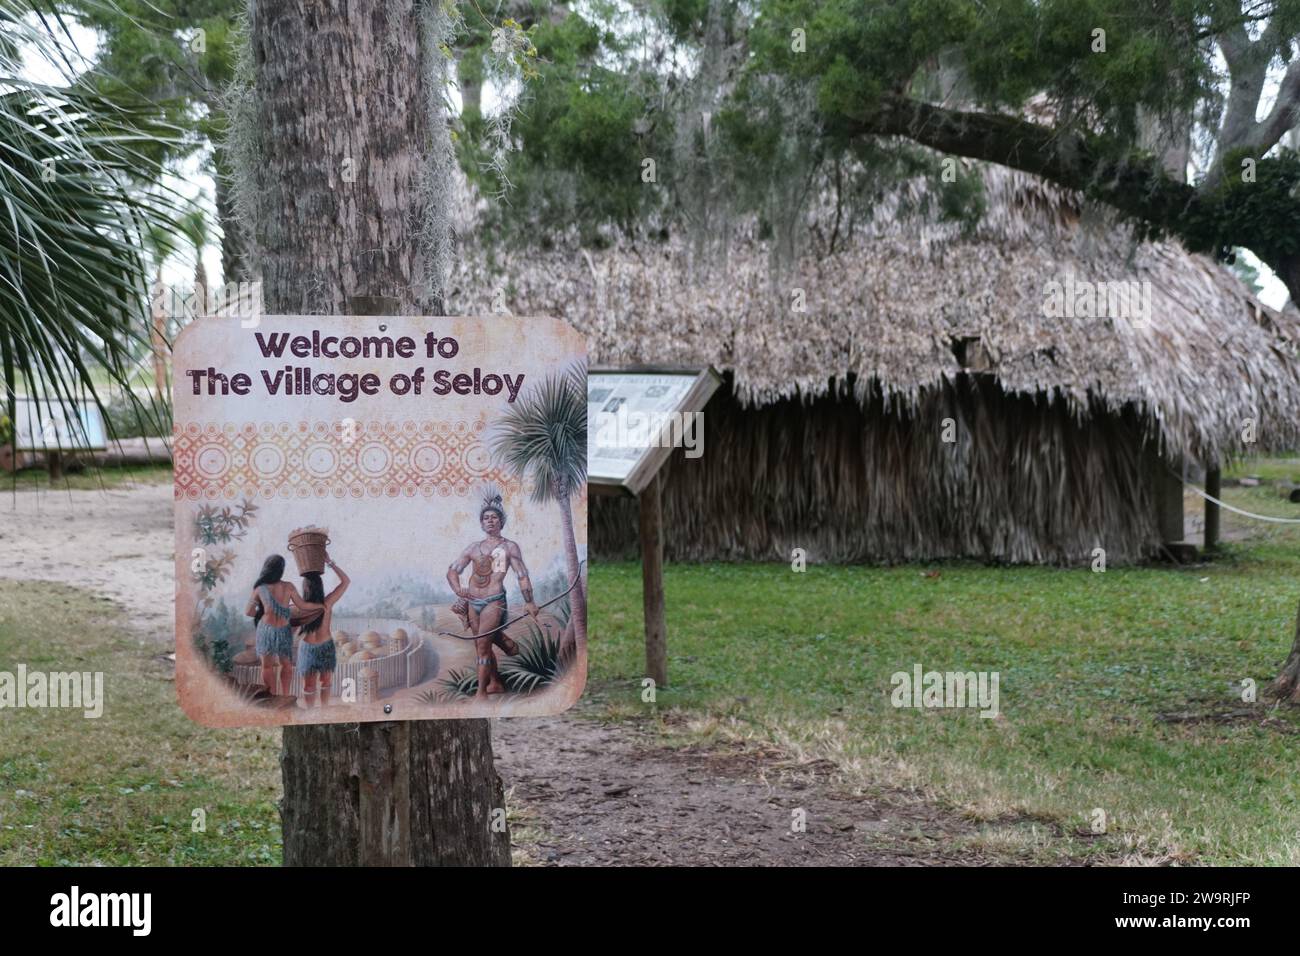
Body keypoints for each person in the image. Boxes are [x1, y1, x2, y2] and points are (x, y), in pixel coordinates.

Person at [447, 490, 540, 697]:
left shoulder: (509, 547)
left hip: (493, 601)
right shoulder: (473, 547)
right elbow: (453, 570)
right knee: (484, 644)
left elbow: (522, 575)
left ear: (501, 522)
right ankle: (496, 682)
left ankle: (481, 694)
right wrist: (458, 589)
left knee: (481, 645)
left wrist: (530, 602)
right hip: (472, 602)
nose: (490, 521)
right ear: (481, 523)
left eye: (494, 517)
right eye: (486, 518)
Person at [245, 555, 321, 698]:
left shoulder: (260, 589)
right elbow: (302, 605)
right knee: (286, 664)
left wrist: (262, 612)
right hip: (284, 630)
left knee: (267, 666)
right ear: (281, 570)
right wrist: (319, 606)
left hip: (266, 629)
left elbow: (248, 612)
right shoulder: (288, 586)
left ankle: (272, 696)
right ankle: (285, 696)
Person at [295, 557, 350, 709]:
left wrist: (330, 562)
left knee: (318, 684)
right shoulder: (306, 606)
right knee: (314, 685)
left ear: (305, 589)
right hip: (314, 647)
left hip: (319, 647)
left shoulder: (324, 603)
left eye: (306, 587)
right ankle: (314, 713)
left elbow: (346, 582)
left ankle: (322, 711)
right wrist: (330, 563)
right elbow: (345, 581)